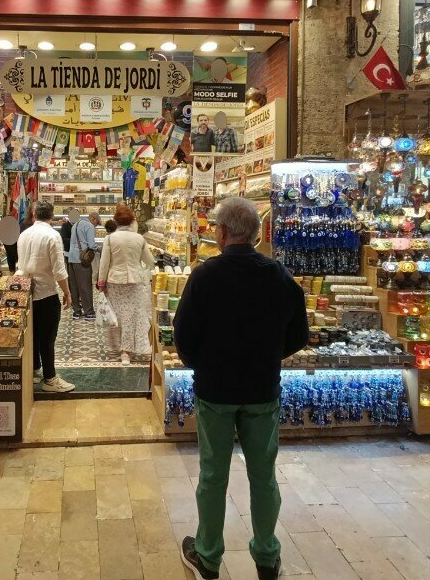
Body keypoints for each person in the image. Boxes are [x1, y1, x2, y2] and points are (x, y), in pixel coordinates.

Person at [173, 197, 308, 580]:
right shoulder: (279, 275)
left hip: (215, 391)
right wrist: (266, 357)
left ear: (220, 233)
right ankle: (267, 556)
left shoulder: (205, 275)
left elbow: (184, 336)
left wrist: (204, 362)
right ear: (258, 233)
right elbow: (298, 335)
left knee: (213, 474)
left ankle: (208, 556)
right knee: (263, 473)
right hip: (262, 389)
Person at [16, 200, 74, 393]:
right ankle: (50, 378)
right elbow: (59, 270)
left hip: (25, 293)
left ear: (34, 214)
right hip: (46, 293)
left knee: (31, 335)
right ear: (52, 215)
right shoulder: (52, 235)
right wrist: (66, 292)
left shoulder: (24, 235)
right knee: (47, 338)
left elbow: (20, 264)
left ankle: (33, 371)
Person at [97, 204, 155, 366]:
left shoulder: (110, 238)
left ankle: (120, 349)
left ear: (116, 222)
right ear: (131, 222)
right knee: (132, 316)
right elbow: (149, 261)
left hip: (115, 281)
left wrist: (101, 283)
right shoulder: (139, 238)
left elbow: (104, 263)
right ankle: (127, 351)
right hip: (135, 281)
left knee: (117, 316)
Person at [67, 211, 98, 320]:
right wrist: (100, 249)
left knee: (74, 286)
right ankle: (89, 312)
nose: (96, 226)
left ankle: (76, 311)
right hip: (82, 259)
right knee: (85, 285)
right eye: (96, 223)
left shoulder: (75, 225)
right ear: (93, 219)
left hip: (71, 258)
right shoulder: (89, 226)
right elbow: (91, 244)